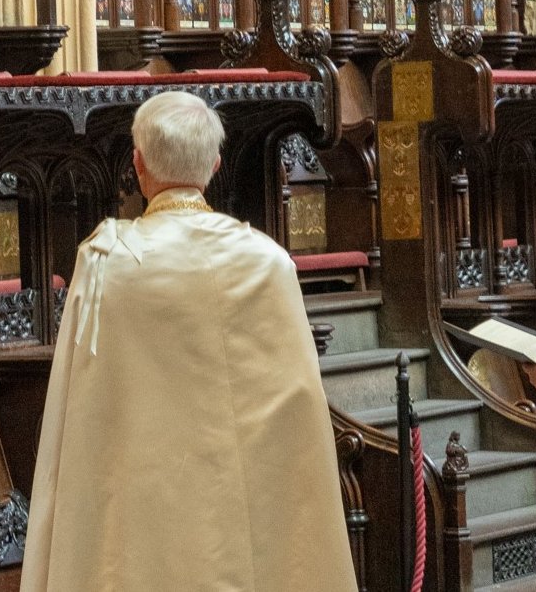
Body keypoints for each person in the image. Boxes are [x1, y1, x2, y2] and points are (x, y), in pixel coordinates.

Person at [21, 91, 356, 592]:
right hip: (244, 520)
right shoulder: (268, 262)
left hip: (144, 514)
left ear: (137, 164)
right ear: (215, 164)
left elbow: (81, 416)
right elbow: (297, 417)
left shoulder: (108, 263)